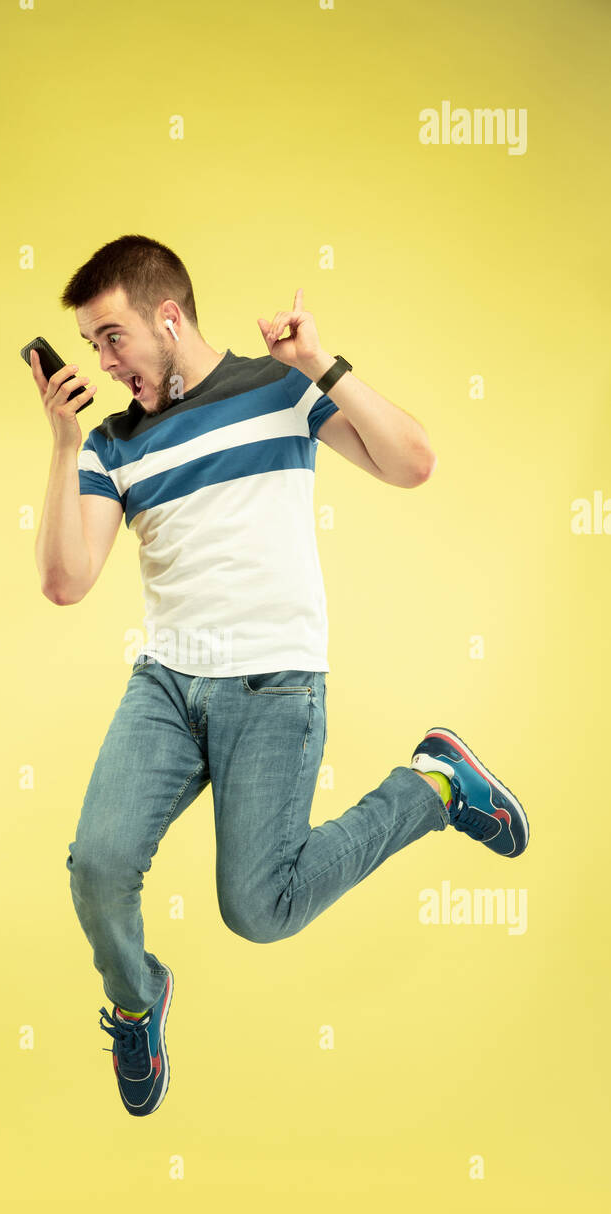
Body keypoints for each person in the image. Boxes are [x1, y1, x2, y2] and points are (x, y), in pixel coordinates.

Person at [30, 234, 529, 1119]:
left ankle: (434, 788)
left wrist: (321, 364)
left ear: (168, 316)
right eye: (91, 346)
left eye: (112, 338)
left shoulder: (280, 387)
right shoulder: (112, 441)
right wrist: (66, 445)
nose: (102, 364)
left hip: (273, 691)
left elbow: (414, 464)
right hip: (168, 690)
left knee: (260, 912)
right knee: (98, 867)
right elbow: (67, 582)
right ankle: (137, 1000)